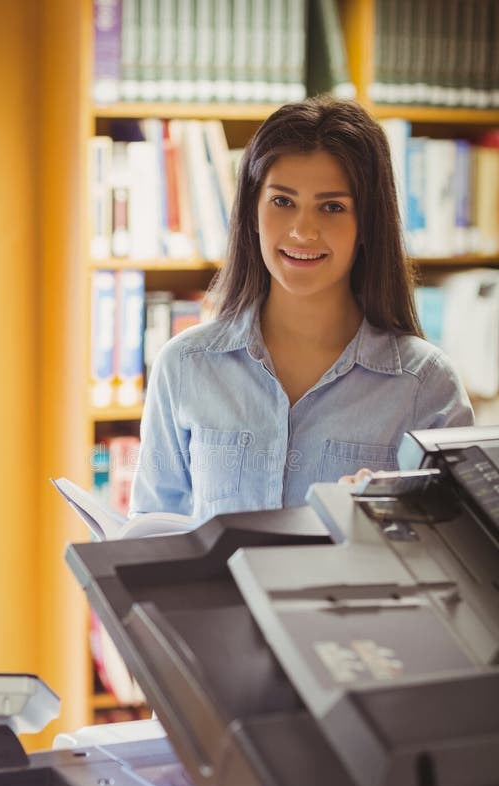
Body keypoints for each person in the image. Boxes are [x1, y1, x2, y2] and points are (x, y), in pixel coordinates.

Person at [129, 96, 474, 522]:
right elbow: (152, 534)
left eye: (332, 207)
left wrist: (383, 524)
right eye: (282, 201)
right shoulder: (184, 365)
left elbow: (454, 556)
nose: (302, 231)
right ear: (252, 212)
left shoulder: (426, 386)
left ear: (366, 223)